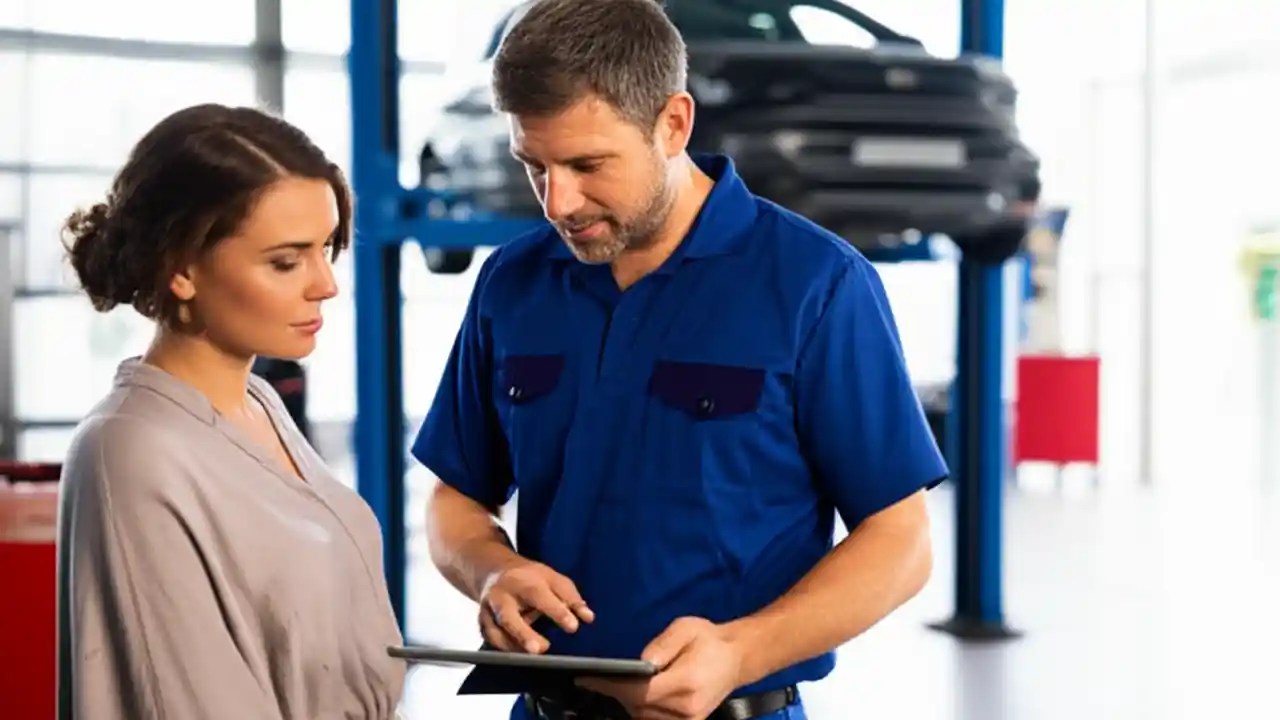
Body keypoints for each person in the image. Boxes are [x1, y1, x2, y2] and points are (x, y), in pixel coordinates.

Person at [413, 0, 945, 718]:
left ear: (674, 123)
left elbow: (901, 541)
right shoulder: (513, 282)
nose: (557, 202)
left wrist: (741, 653)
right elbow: (456, 497)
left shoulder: (815, 285)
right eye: (533, 165)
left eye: (587, 164)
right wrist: (490, 571)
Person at [55, 103, 406, 719]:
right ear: (182, 267)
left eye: (327, 249)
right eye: (286, 261)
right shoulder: (132, 451)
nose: (325, 283)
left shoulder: (261, 404)